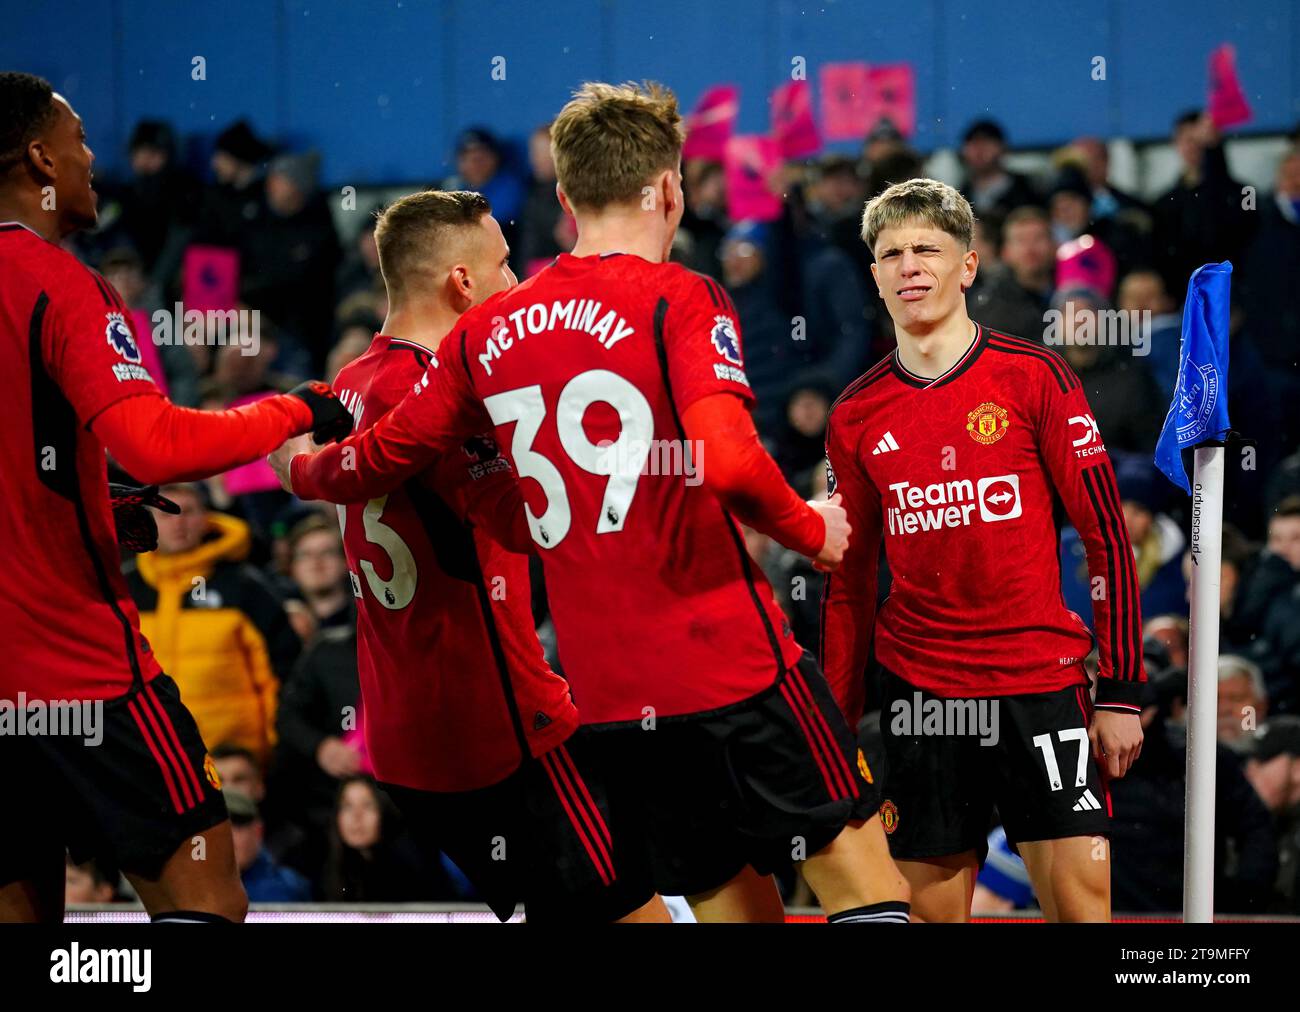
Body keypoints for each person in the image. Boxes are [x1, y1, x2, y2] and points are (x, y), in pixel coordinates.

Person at [276, 81, 911, 924]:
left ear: (566, 197)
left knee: (730, 907)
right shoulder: (683, 298)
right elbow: (728, 463)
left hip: (611, 698)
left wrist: (297, 468)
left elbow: (376, 459)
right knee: (870, 894)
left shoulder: (480, 336)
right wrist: (812, 529)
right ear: (669, 189)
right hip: (729, 659)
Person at [0, 73, 349, 925]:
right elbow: (157, 443)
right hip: (81, 669)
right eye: (80, 143)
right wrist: (296, 407)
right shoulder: (59, 284)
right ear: (41, 157)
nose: (92, 161)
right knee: (207, 906)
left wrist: (86, 501)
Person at [290, 189, 667, 923]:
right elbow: (535, 525)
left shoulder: (352, 386)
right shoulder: (438, 393)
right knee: (635, 914)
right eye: (503, 266)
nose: (517, 284)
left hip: (405, 746)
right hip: (502, 732)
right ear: (462, 283)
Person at [821, 177, 1145, 922]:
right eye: (891, 253)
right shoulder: (856, 414)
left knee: (1081, 901)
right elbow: (848, 581)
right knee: (931, 916)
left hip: (1040, 684)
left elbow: (1107, 540)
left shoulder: (1036, 377)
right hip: (921, 696)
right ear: (873, 275)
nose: (909, 266)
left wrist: (1122, 688)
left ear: (967, 266)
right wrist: (836, 726)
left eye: (927, 249)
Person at [125, 482, 299, 765]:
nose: (178, 523)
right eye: (166, 514)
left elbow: (282, 674)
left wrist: (274, 746)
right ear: (148, 521)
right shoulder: (123, 588)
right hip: (146, 756)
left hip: (235, 761)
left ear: (207, 517)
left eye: (187, 512)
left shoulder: (245, 587)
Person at [226, 789, 312, 903]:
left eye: (236, 825)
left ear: (258, 831)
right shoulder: (195, 888)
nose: (225, 837)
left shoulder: (289, 888)